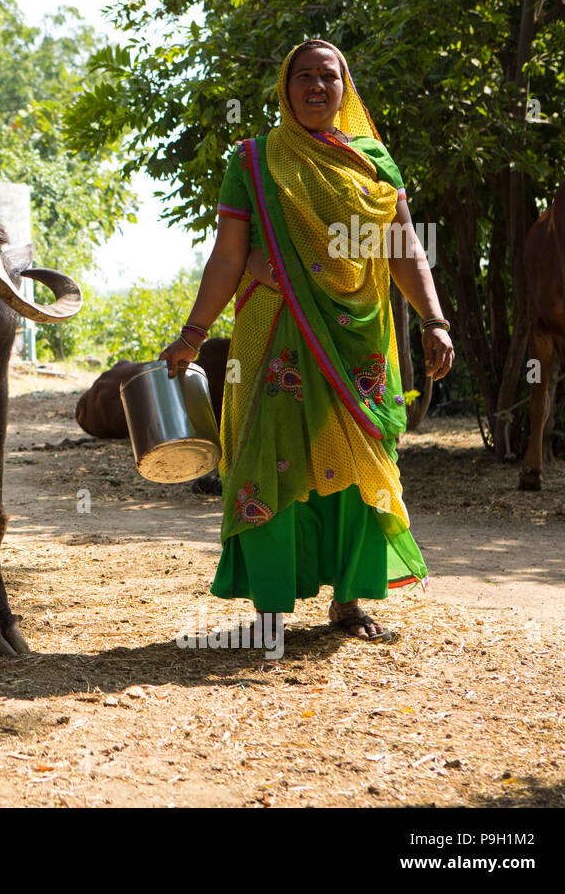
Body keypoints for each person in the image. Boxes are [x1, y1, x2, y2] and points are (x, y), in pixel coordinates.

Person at [159, 39, 454, 641]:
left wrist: (435, 319)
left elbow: (404, 250)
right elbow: (228, 256)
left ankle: (350, 602)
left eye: (329, 76)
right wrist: (193, 332)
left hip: (360, 340)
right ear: (285, 89)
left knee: (360, 458)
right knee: (269, 454)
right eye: (304, 77)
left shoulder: (373, 160)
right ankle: (270, 607)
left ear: (346, 88)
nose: (317, 87)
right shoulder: (255, 160)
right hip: (276, 336)